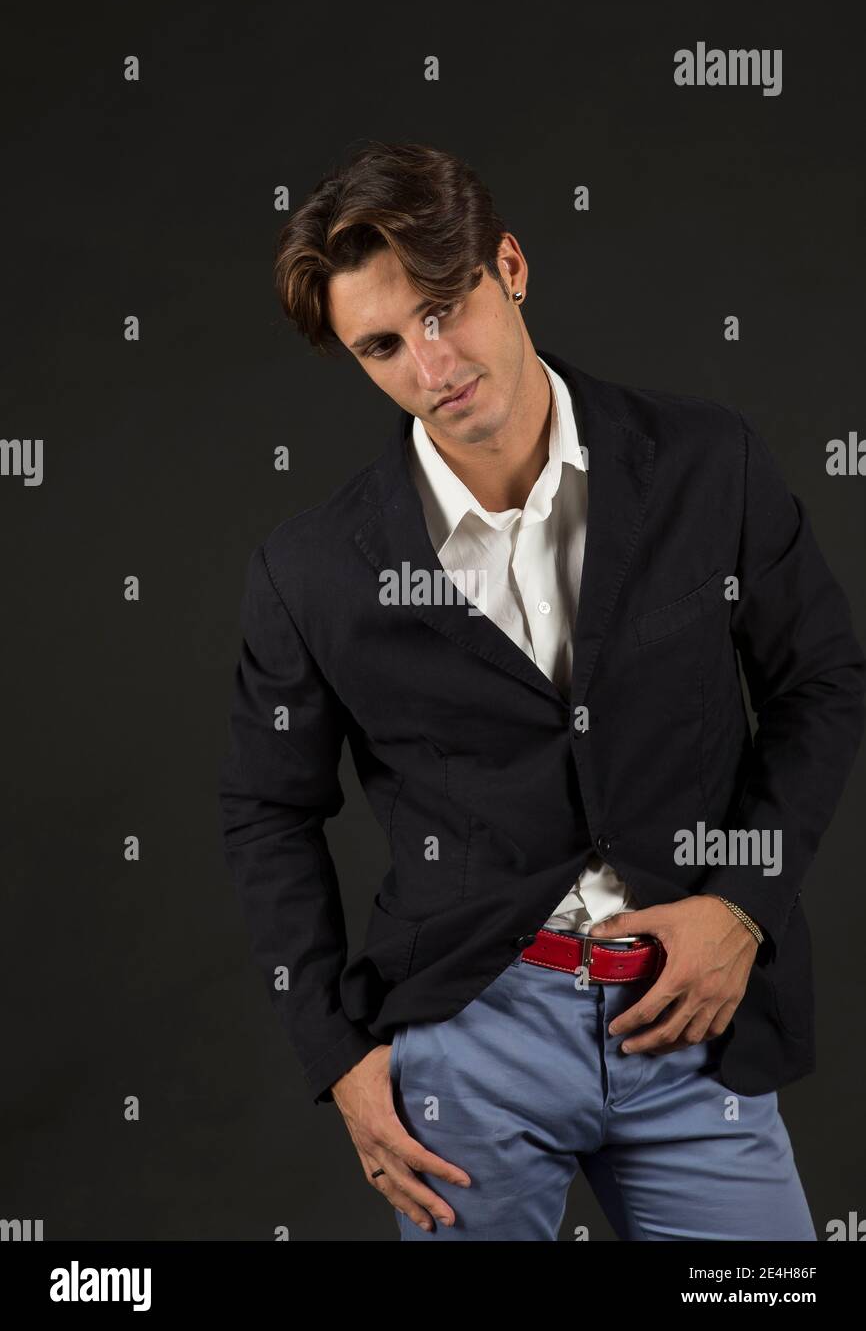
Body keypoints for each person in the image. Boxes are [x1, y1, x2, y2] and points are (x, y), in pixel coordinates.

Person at [217, 140, 865, 1240]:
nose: (430, 365)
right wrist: (338, 1054)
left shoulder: (707, 462)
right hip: (463, 1044)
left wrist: (743, 905)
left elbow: (820, 681)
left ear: (507, 266)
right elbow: (265, 810)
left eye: (440, 306)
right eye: (381, 344)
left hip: (692, 1016)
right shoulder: (311, 568)